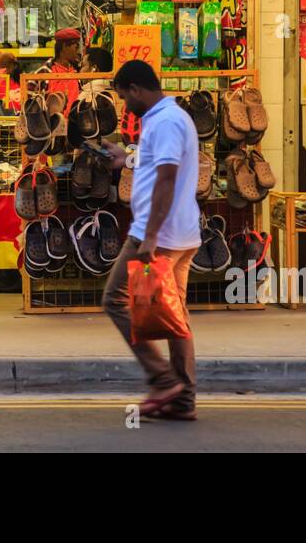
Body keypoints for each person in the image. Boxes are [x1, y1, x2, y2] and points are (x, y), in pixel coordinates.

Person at [99, 59, 201, 421]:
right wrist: (126, 158)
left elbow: (167, 178)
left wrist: (150, 237)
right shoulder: (165, 119)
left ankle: (161, 379)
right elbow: (158, 161)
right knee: (176, 318)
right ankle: (183, 399)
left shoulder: (167, 121)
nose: (125, 105)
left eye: (126, 97)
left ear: (138, 90)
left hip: (159, 233)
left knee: (114, 298)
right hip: (180, 232)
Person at [40, 27, 83, 111]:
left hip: (74, 122)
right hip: (53, 123)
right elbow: (30, 99)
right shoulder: (45, 71)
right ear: (64, 46)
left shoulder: (77, 72)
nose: (78, 52)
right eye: (76, 47)